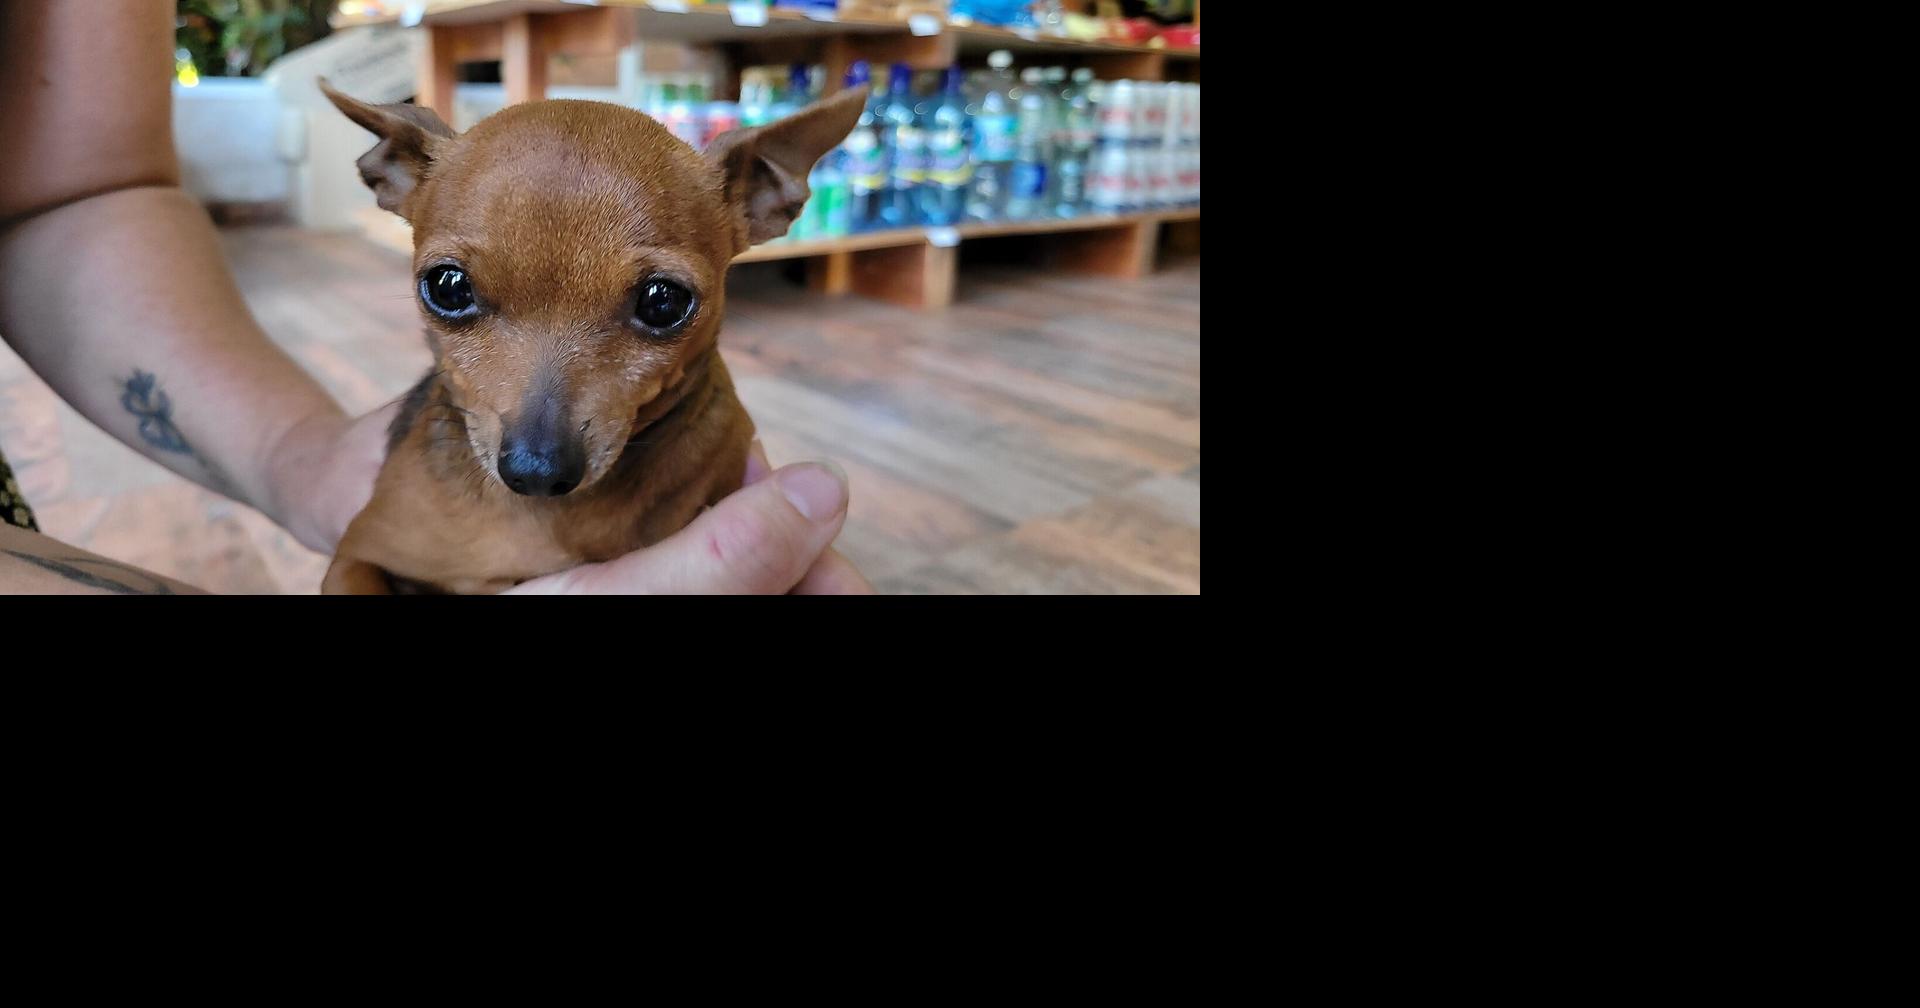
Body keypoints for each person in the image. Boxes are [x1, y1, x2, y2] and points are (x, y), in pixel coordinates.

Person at [0, 4, 870, 595]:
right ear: (395, 172)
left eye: (656, 304)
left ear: (763, 199)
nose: (538, 448)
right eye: (456, 292)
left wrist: (296, 454)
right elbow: (362, 565)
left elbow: (84, 194)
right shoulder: (427, 497)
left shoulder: (722, 463)